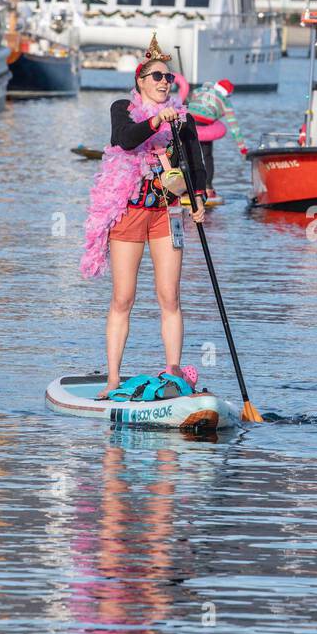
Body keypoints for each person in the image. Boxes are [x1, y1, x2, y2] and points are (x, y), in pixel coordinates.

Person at [80, 34, 207, 400]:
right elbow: (124, 140)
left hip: (167, 213)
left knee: (170, 297)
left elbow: (194, 164)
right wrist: (154, 124)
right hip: (130, 214)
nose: (164, 83)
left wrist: (197, 199)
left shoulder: (182, 120)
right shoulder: (123, 108)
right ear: (141, 81)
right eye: (157, 77)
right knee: (124, 297)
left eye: (169, 78)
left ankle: (174, 375)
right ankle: (113, 378)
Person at [186, 78, 246, 203]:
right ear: (227, 94)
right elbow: (234, 126)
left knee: (188, 155)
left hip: (189, 121)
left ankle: (186, 186)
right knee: (207, 156)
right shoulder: (225, 102)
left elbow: (189, 98)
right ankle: (208, 187)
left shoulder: (200, 90)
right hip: (205, 126)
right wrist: (243, 148)